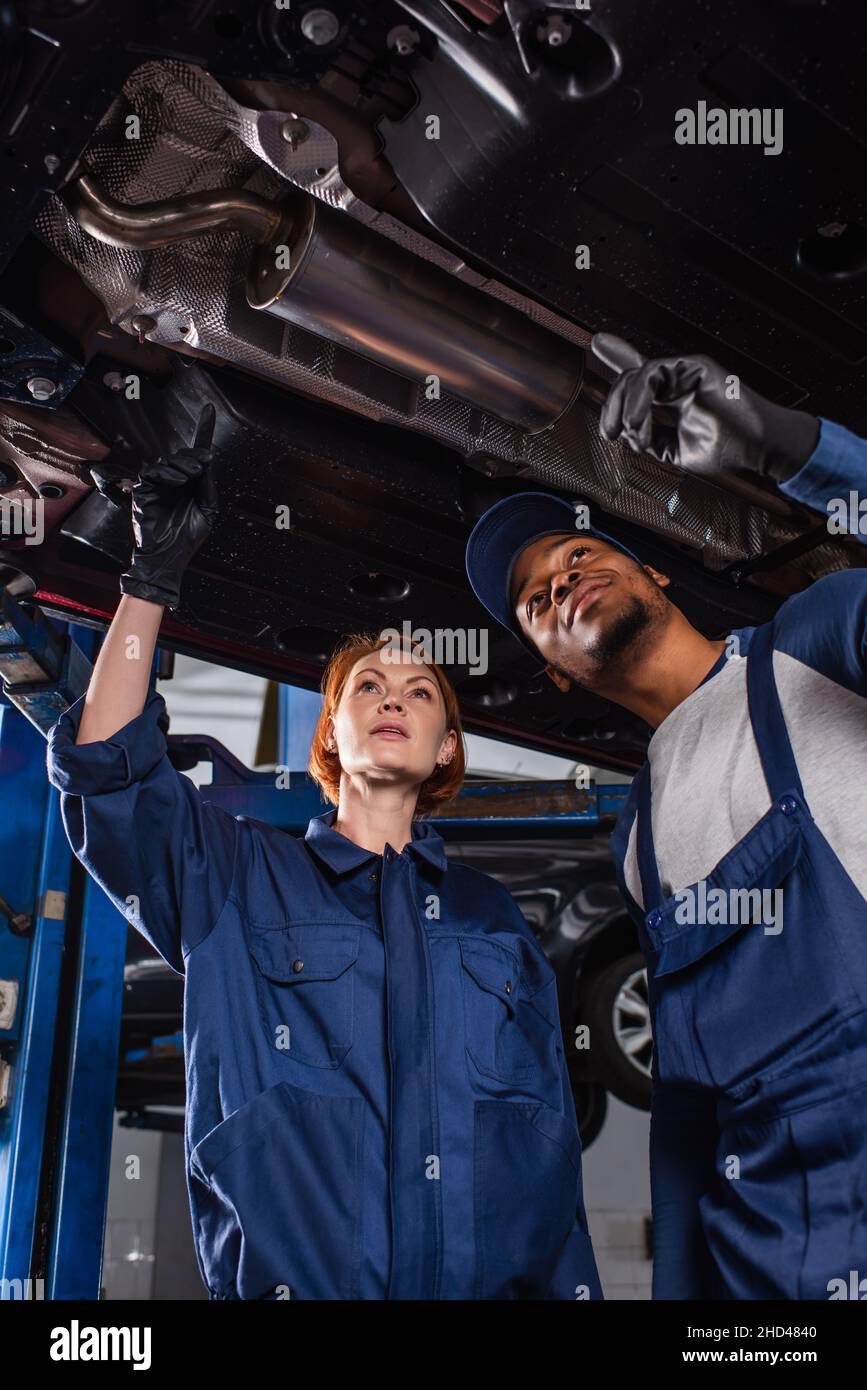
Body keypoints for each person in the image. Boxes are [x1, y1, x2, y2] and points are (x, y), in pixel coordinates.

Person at [45, 409, 603, 1301]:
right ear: (331, 735)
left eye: (422, 691)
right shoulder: (234, 877)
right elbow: (110, 774)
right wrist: (149, 579)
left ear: (447, 747)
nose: (394, 697)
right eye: (367, 687)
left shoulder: (488, 919)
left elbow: (546, 1151)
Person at [465, 335, 867, 1300]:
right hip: (775, 1261)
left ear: (659, 574)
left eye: (575, 553)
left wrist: (789, 449)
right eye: (534, 601)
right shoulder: (636, 841)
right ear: (554, 669)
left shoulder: (810, 643)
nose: (559, 579)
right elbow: (687, 1116)